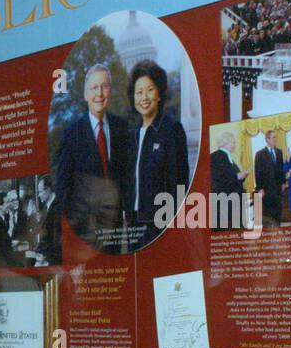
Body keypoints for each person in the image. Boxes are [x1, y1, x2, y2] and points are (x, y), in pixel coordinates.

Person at [53, 63, 129, 248]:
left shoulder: (122, 128)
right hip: (84, 231)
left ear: (110, 91)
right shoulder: (72, 134)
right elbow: (63, 187)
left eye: (104, 86)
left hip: (114, 228)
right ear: (86, 94)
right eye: (94, 87)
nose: (100, 93)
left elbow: (127, 177)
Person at [124, 60, 189, 246]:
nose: (144, 97)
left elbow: (179, 182)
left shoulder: (172, 129)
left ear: (159, 93)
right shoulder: (133, 135)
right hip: (134, 223)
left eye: (150, 90)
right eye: (139, 92)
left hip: (160, 224)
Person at [210, 132, 249, 231]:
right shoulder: (217, 156)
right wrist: (237, 176)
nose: (235, 145)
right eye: (233, 142)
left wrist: (242, 176)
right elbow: (219, 177)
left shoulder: (228, 156)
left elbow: (232, 175)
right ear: (225, 142)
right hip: (225, 201)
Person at [254, 129, 286, 228]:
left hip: (277, 189)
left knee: (278, 213)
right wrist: (260, 188)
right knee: (268, 214)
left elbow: (281, 169)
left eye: (275, 137)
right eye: (273, 137)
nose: (275, 139)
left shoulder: (279, 152)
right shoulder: (260, 154)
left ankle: (278, 231)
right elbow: (258, 172)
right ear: (267, 139)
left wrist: (283, 182)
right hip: (266, 190)